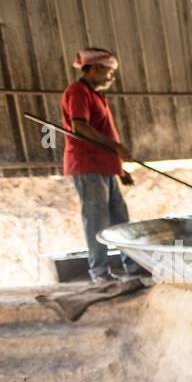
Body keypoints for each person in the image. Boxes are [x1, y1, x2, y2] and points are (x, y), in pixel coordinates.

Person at [61, 47, 142, 283]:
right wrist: (117, 149)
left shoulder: (96, 95)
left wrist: (119, 167)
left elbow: (103, 134)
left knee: (120, 218)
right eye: (108, 72)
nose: (111, 77)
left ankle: (133, 267)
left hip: (105, 166)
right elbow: (81, 127)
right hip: (88, 165)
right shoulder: (77, 92)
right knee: (97, 219)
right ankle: (100, 272)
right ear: (95, 68)